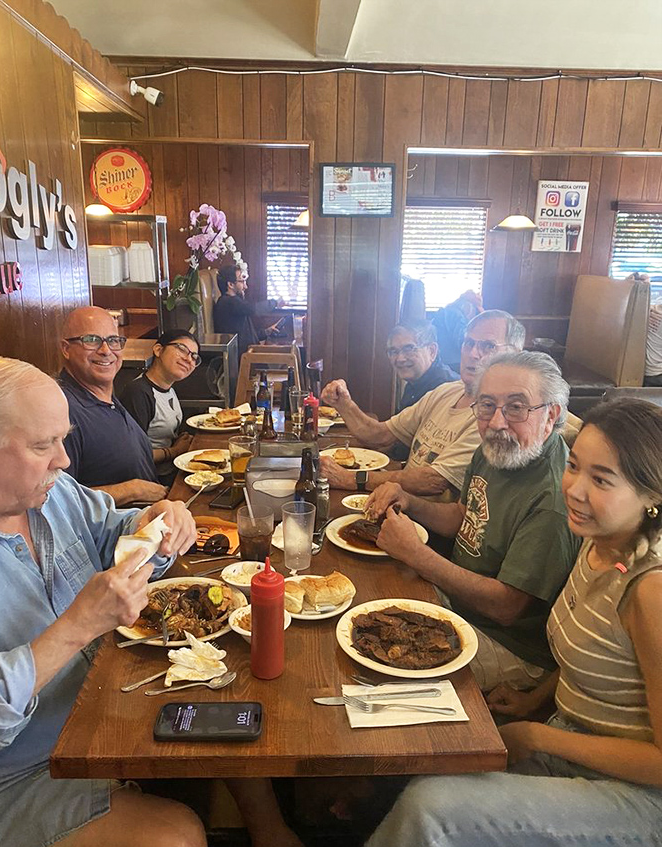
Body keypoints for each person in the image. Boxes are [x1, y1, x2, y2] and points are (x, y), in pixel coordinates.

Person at [329, 398, 662, 847]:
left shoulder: (651, 588)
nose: (573, 488)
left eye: (602, 479)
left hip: (640, 807)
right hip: (569, 740)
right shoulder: (599, 544)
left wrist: (537, 734)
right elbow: (596, 653)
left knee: (432, 813)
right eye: (574, 466)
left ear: (652, 495)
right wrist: (537, 700)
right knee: (433, 759)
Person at [0, 357, 206, 847]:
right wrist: (77, 626)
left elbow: (112, 528)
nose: (62, 459)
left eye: (64, 440)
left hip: (98, 719)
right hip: (10, 780)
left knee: (232, 722)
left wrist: (157, 522)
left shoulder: (49, 491)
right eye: (42, 446)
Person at [367, 350, 580, 692]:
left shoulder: (553, 499)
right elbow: (462, 519)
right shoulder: (496, 449)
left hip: (510, 645)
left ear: (551, 414)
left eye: (516, 406)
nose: (497, 421)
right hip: (456, 604)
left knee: (381, 681)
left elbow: (506, 607)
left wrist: (416, 554)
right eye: (486, 405)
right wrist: (410, 502)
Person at [320, 310, 524, 498]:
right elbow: (381, 435)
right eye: (468, 343)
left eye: (488, 346)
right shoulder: (446, 391)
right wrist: (344, 403)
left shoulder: (496, 419)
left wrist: (349, 479)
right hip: (394, 505)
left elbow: (433, 480)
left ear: (514, 354)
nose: (473, 354)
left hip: (426, 528)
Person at [59, 306, 167, 506]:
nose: (106, 351)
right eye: (91, 340)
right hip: (117, 534)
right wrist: (132, 489)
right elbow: (58, 500)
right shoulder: (63, 410)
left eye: (113, 341)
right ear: (66, 349)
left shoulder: (104, 394)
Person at [119, 329, 197, 484]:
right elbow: (133, 455)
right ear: (158, 350)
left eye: (194, 357)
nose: (189, 359)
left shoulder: (169, 389)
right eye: (182, 349)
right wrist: (174, 451)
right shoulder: (138, 393)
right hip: (153, 481)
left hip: (172, 470)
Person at [213, 264, 281, 359]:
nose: (246, 286)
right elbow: (254, 309)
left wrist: (266, 332)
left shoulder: (234, 303)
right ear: (230, 284)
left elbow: (246, 335)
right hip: (244, 358)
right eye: (242, 281)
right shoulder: (228, 302)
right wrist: (276, 302)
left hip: (249, 353)